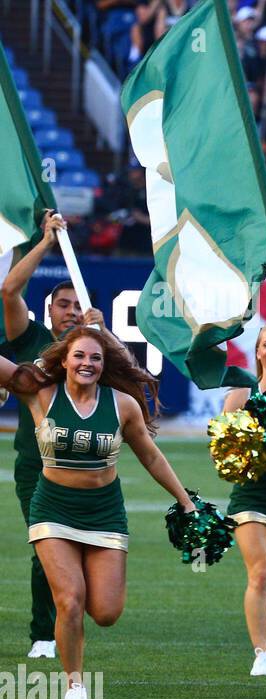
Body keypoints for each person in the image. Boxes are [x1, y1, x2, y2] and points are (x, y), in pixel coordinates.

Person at [0, 328, 195, 699]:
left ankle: (75, 630)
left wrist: (185, 501)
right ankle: (74, 684)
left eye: (95, 358)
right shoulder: (40, 392)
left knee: (106, 612)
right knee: (69, 601)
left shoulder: (122, 404)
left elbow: (151, 456)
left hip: (104, 513)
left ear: (104, 365)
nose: (87, 363)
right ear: (64, 360)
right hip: (53, 509)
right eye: (79, 356)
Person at [2, 211, 103, 660]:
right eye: (64, 305)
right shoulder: (31, 340)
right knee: (47, 547)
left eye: (78, 306)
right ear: (49, 311)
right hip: (37, 465)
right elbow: (7, 290)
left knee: (83, 557)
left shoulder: (97, 352)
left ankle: (69, 616)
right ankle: (43, 633)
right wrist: (46, 241)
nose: (72, 313)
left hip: (92, 470)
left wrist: (105, 336)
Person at [222, 324, 266, 677]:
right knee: (261, 573)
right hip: (251, 492)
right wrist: (250, 451)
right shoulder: (240, 396)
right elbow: (223, 457)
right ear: (258, 351)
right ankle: (262, 653)